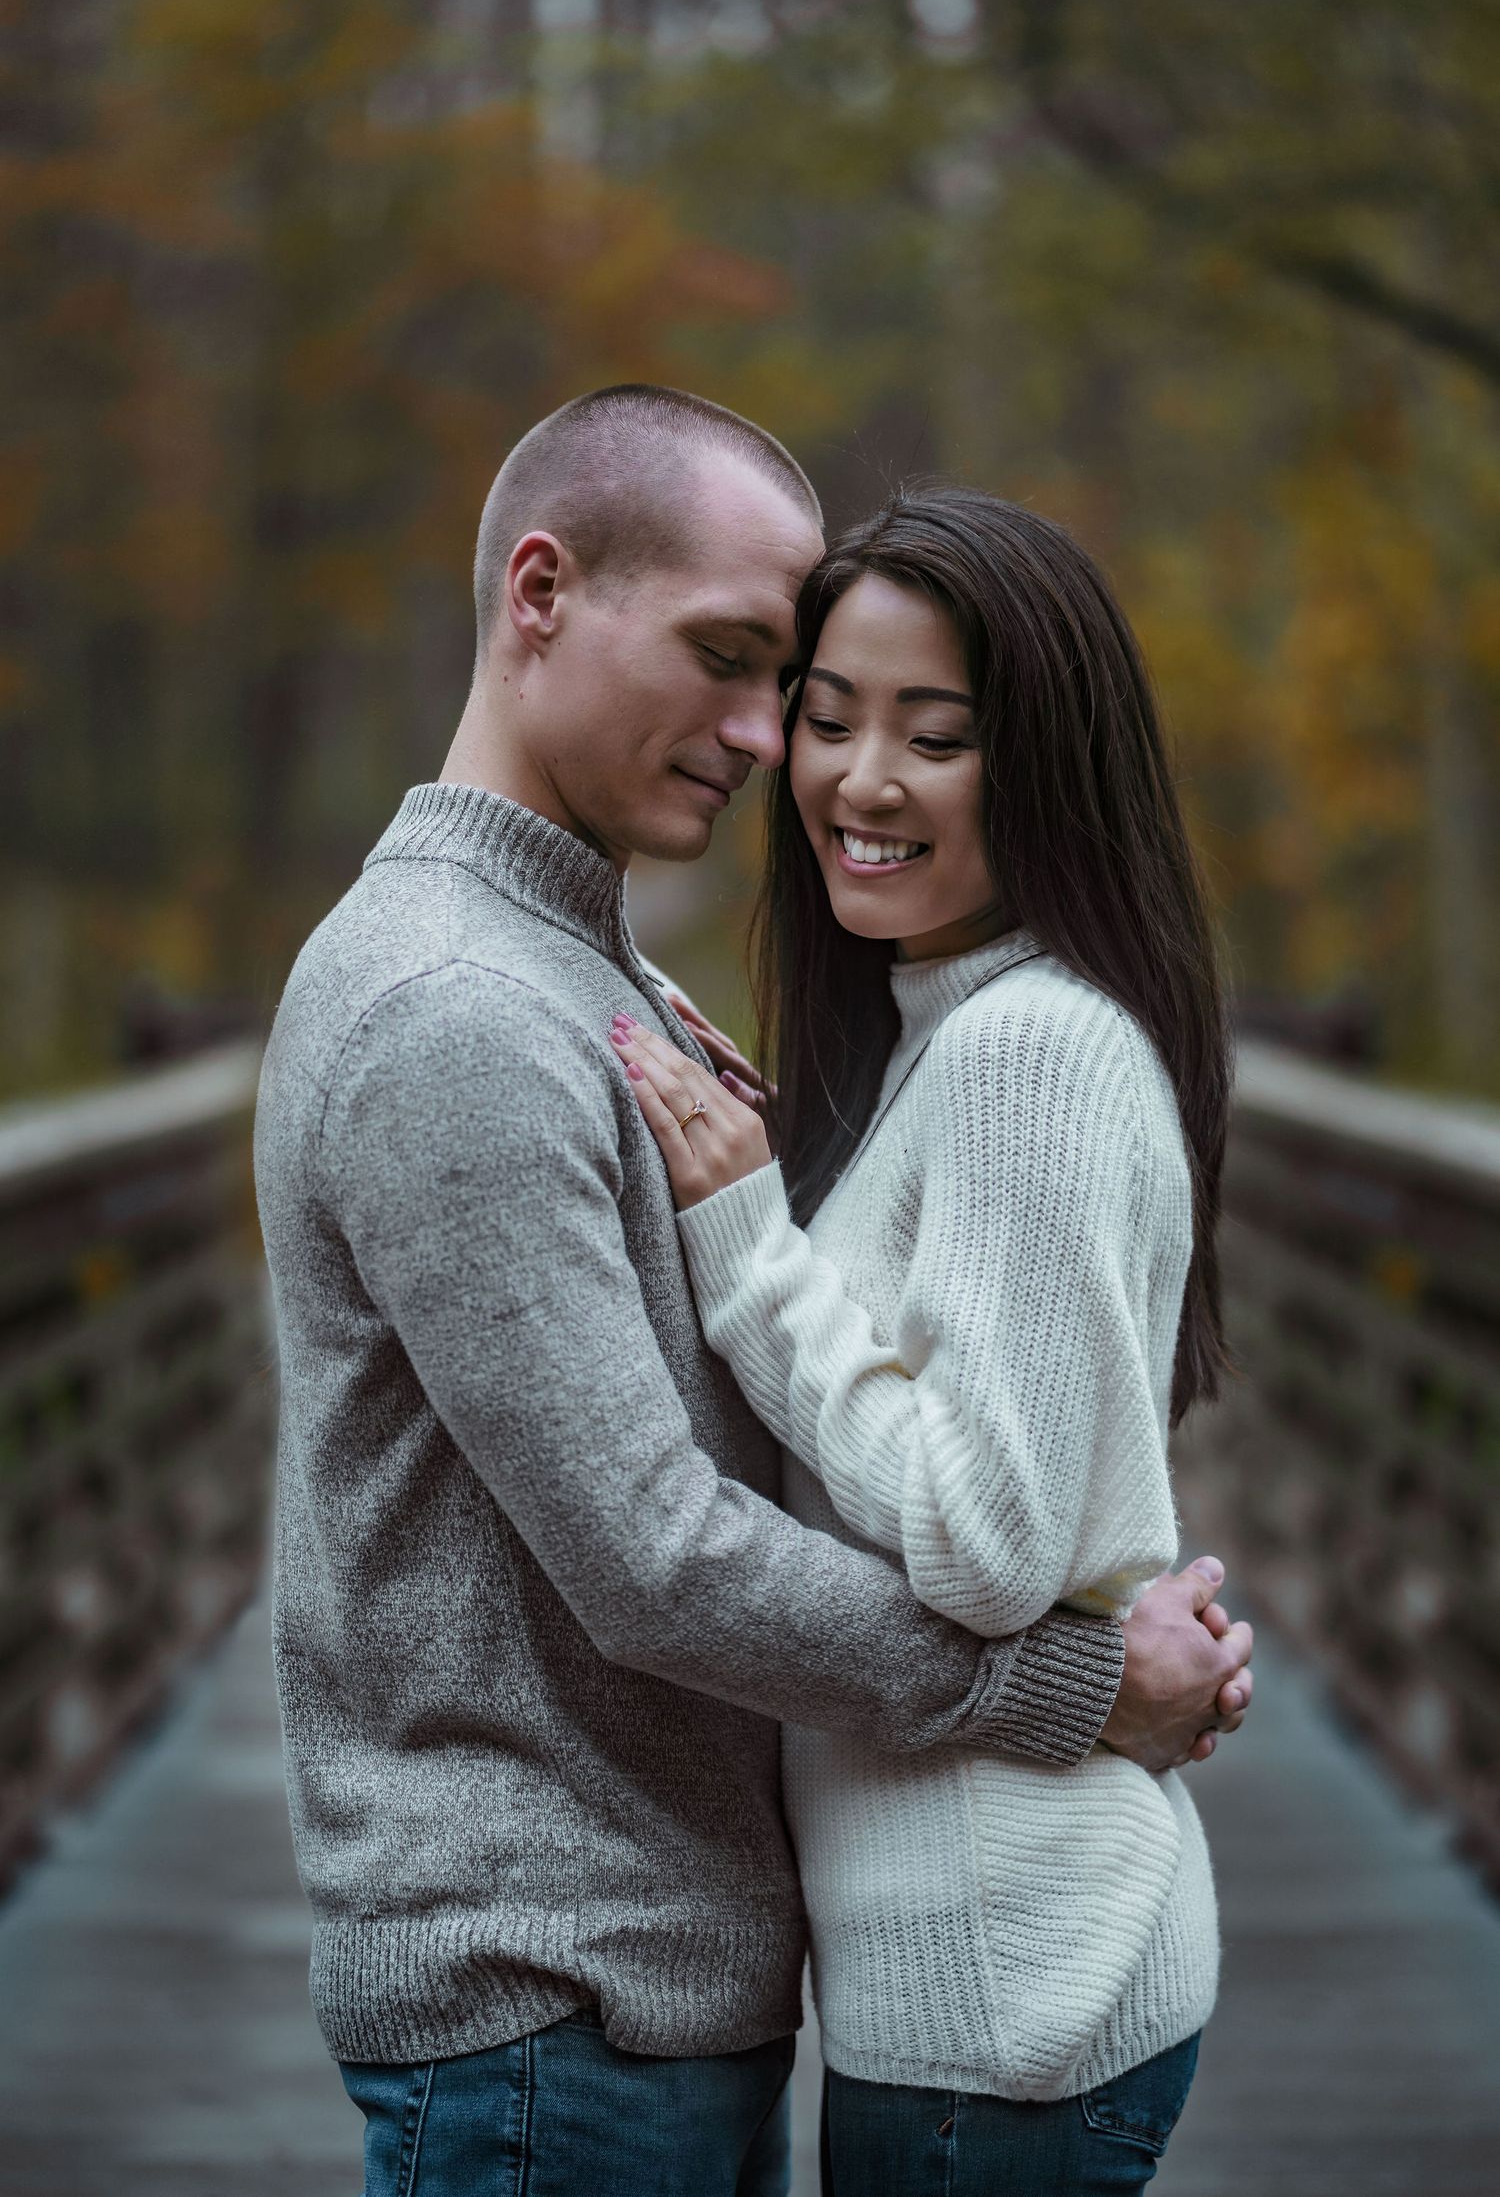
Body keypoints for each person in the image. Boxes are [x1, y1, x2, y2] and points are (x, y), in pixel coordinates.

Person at [253, 390, 1253, 2197]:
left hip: (661, 1987)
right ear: (539, 592)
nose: (762, 737)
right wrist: (1074, 1686)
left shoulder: (578, 962)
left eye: (775, 680)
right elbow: (653, 1549)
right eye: (738, 662)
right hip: (553, 2002)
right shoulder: (459, 1015)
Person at [613, 482, 1235, 2194]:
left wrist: (748, 1250)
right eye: (825, 719)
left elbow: (986, 1541)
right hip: (960, 1983)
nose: (860, 781)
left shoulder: (1031, 1053)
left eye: (934, 735)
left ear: (1040, 764)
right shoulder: (942, 1034)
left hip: (1009, 2002)